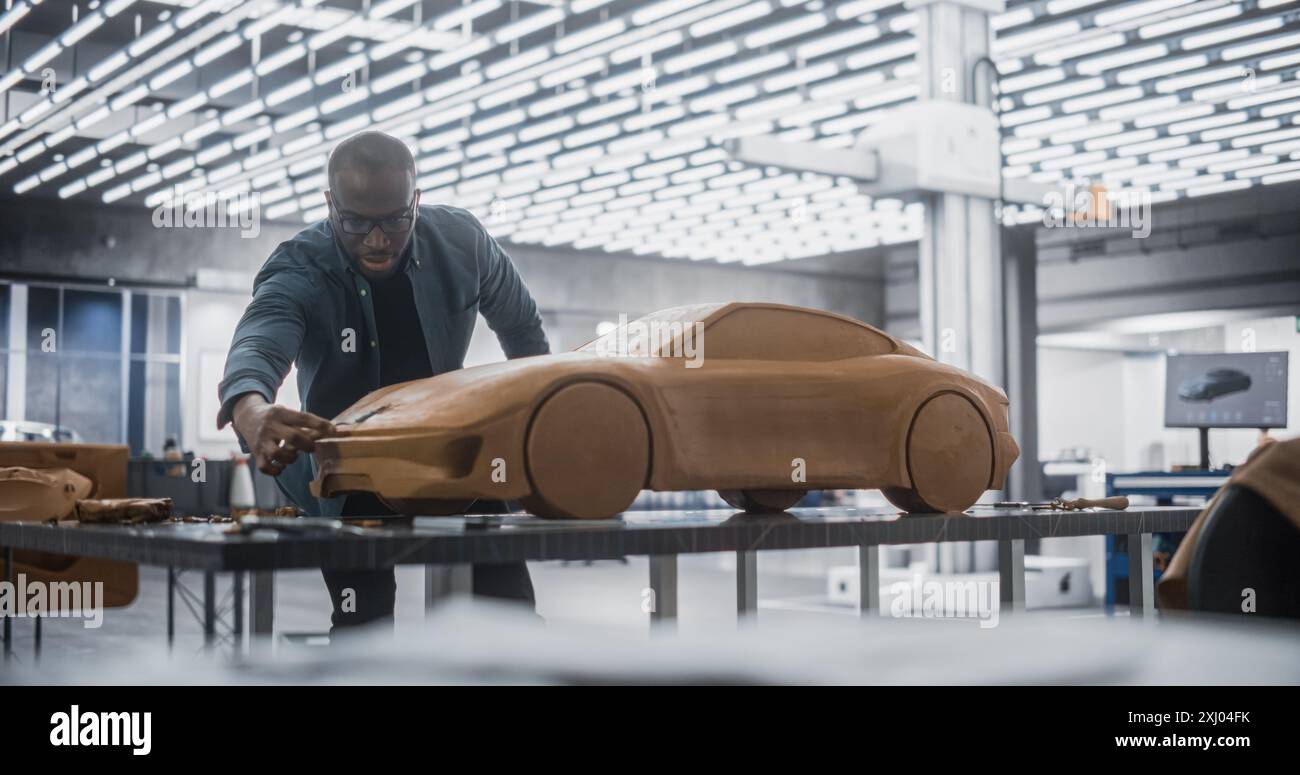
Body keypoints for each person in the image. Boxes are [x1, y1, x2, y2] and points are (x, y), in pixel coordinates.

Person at [217, 131, 550, 632]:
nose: (378, 240)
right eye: (355, 222)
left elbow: (524, 331)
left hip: (456, 458)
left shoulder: (463, 242)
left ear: (416, 200)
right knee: (362, 625)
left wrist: (540, 422)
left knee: (507, 613)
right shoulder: (300, 266)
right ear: (330, 204)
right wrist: (251, 410)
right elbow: (259, 345)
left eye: (396, 220)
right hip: (351, 474)